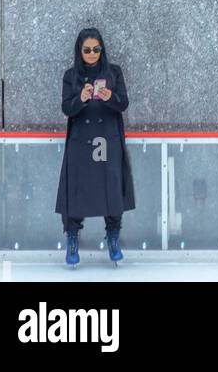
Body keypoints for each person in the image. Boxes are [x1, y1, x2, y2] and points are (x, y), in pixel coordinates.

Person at [54, 28, 134, 268]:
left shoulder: (113, 72)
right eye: (87, 49)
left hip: (107, 140)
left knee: (111, 187)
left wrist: (109, 96)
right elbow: (67, 108)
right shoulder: (71, 75)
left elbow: (123, 103)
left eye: (96, 49)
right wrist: (81, 98)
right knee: (77, 188)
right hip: (81, 141)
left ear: (102, 50)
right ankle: (72, 238)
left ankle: (113, 237)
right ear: (80, 50)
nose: (91, 53)